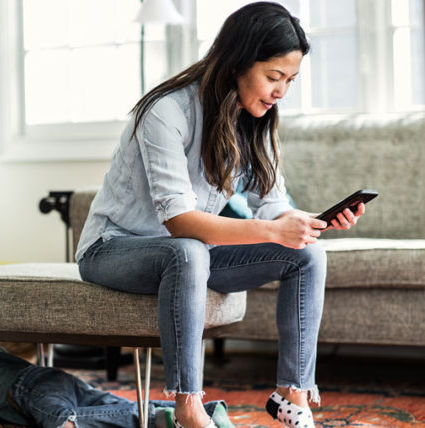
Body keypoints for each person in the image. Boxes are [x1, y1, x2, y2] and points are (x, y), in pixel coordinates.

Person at [75, 3, 366, 428]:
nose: (282, 91)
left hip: (190, 255)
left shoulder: (255, 120)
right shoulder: (166, 112)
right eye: (273, 77)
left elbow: (273, 205)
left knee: (307, 255)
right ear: (236, 63)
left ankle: (292, 397)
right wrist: (272, 229)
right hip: (113, 248)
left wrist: (308, 223)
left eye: (290, 80)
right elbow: (179, 222)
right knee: (189, 251)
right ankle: (189, 409)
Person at [0, 299, 235, 428]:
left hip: (25, 392)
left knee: (68, 422)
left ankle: (161, 420)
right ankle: (205, 412)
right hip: (45, 378)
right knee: (110, 404)